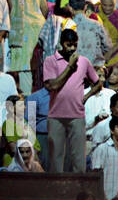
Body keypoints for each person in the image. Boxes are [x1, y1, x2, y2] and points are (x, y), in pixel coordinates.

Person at [42, 28, 99, 173]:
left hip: (77, 115)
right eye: (69, 44)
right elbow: (53, 85)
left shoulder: (84, 62)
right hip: (56, 115)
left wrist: (85, 97)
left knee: (78, 158)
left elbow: (97, 82)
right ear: (61, 43)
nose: (72, 48)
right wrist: (70, 67)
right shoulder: (50, 61)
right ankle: (57, 190)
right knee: (56, 158)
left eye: (75, 44)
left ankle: (78, 190)